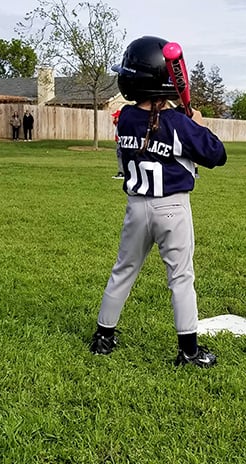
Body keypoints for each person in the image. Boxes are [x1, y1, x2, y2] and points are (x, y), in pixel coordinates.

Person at [90, 36, 227, 367]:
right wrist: (199, 125)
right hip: (172, 208)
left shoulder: (125, 118)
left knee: (123, 270)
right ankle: (189, 351)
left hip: (137, 207)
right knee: (180, 277)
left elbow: (152, 123)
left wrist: (181, 117)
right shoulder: (180, 123)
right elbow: (217, 155)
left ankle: (103, 337)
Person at [111, 108, 124, 178]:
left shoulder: (121, 125)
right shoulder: (118, 124)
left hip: (121, 142)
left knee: (121, 157)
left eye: (116, 117)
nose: (115, 118)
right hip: (118, 142)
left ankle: (121, 172)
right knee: (119, 157)